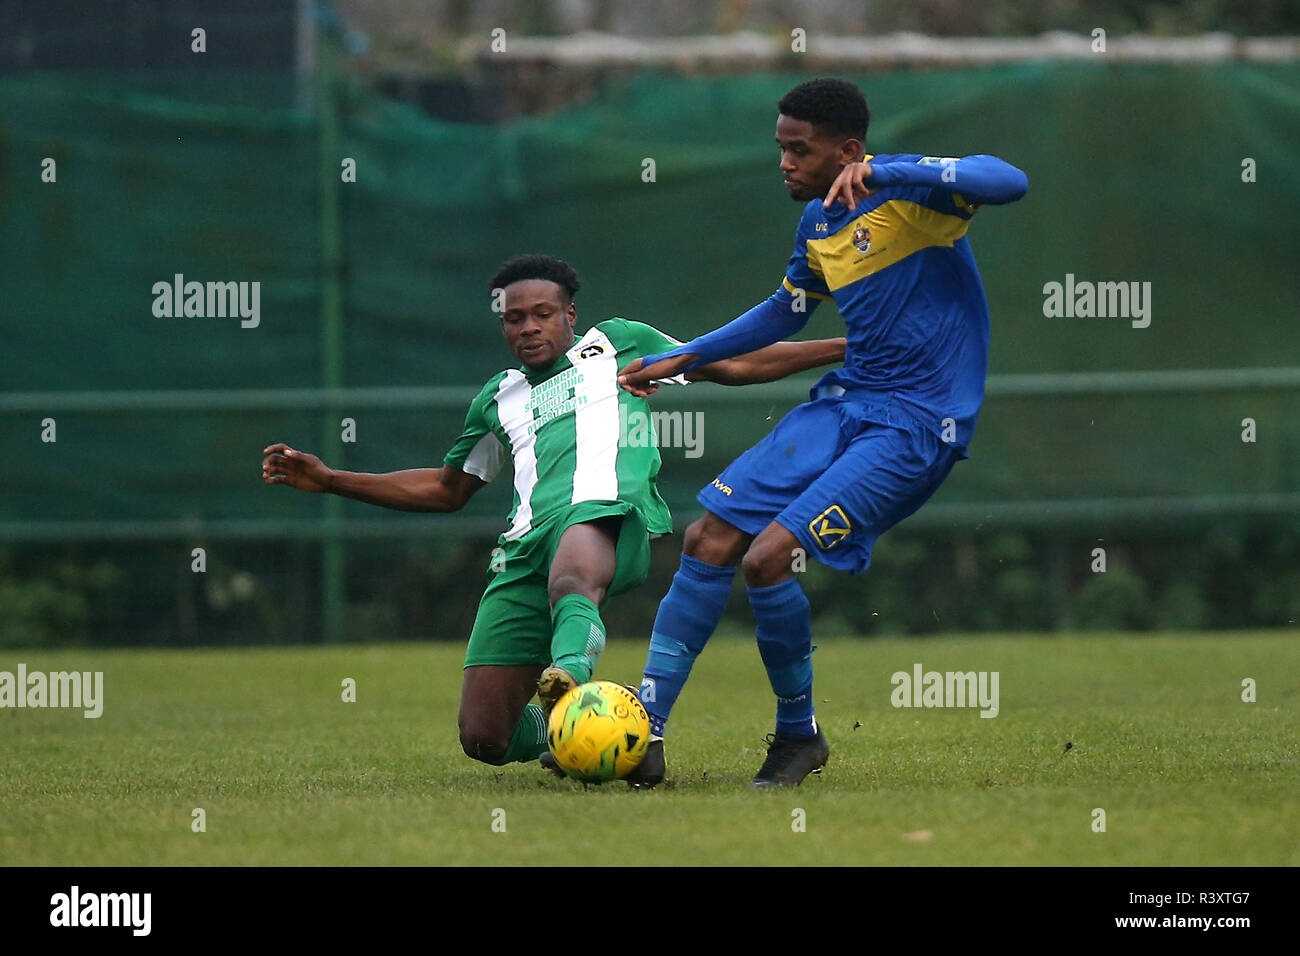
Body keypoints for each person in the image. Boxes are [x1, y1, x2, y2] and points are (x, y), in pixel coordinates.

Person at [262, 254, 846, 774]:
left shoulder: (619, 343)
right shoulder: (498, 397)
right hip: (522, 549)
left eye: (543, 313)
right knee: (484, 737)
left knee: (573, 576)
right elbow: (446, 490)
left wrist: (849, 348)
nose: (529, 326)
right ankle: (591, 731)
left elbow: (738, 363)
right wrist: (333, 479)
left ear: (570, 315)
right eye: (515, 318)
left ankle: (570, 675)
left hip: (608, 515)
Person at [618, 77, 1029, 788]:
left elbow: (1008, 180)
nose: (784, 163)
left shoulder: (913, 199)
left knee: (767, 557)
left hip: (914, 426)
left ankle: (796, 736)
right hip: (844, 404)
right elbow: (785, 312)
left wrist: (890, 168)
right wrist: (685, 357)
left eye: (799, 151)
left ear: (847, 150)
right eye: (780, 149)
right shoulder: (817, 223)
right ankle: (644, 732)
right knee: (708, 538)